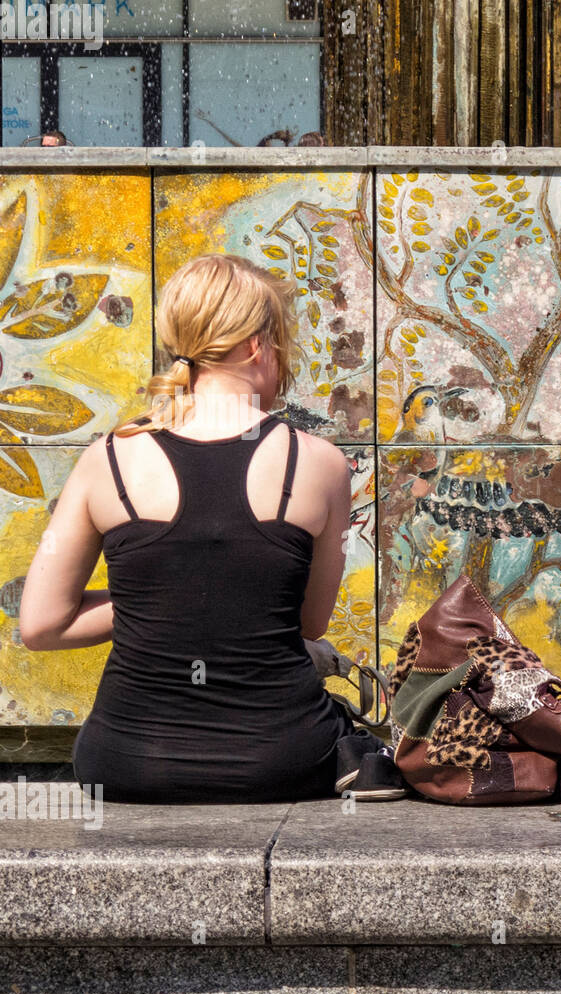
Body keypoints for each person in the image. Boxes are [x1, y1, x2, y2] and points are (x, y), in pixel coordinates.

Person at [19, 254, 358, 803]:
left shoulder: (108, 457)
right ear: (255, 346)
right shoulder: (318, 463)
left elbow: (41, 626)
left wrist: (151, 599)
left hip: (123, 761)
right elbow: (308, 621)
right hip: (283, 759)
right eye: (280, 344)